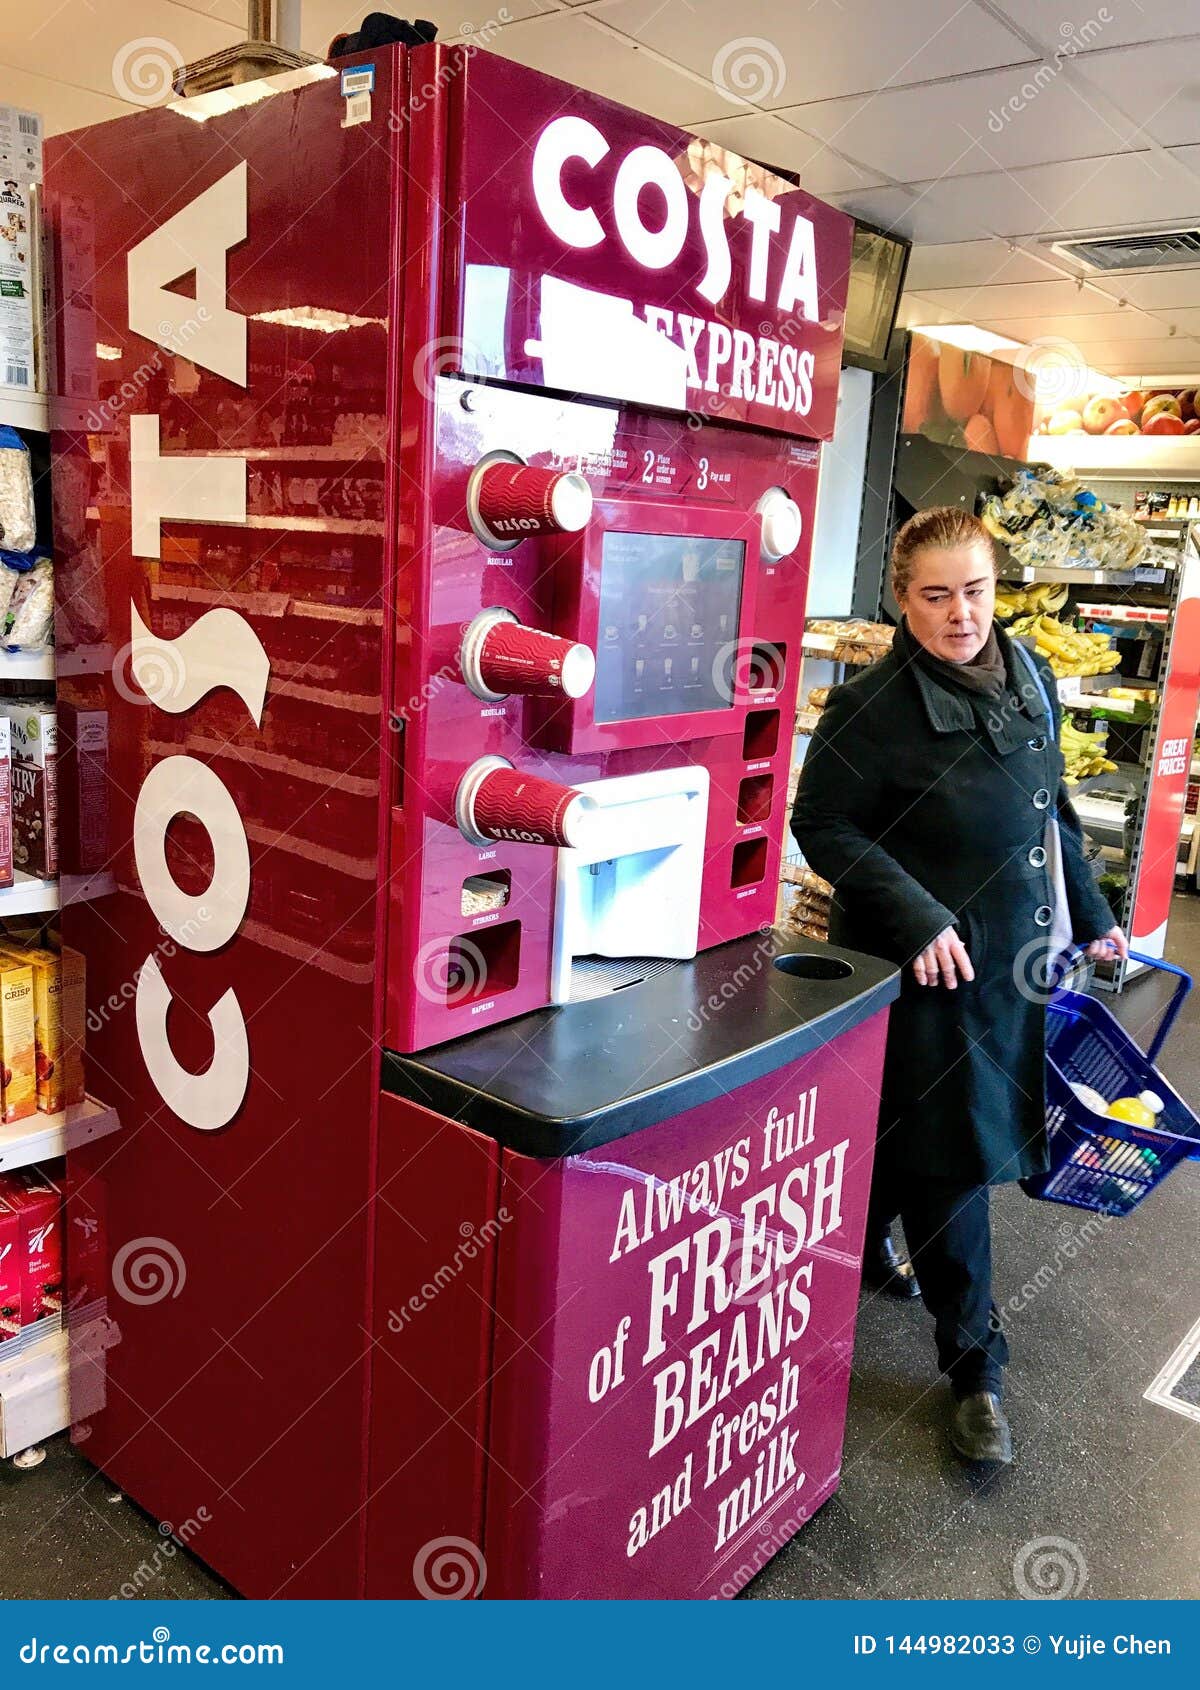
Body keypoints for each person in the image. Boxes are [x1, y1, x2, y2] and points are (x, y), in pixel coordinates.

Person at [791, 506, 1126, 1465]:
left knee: (912, 1138)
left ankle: (847, 1248)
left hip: (1011, 965)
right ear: (903, 602)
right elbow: (825, 824)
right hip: (929, 971)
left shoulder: (1030, 675)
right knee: (954, 1159)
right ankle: (976, 1368)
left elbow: (1050, 809)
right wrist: (918, 914)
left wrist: (1097, 919)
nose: (961, 615)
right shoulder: (873, 708)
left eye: (975, 591)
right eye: (936, 596)